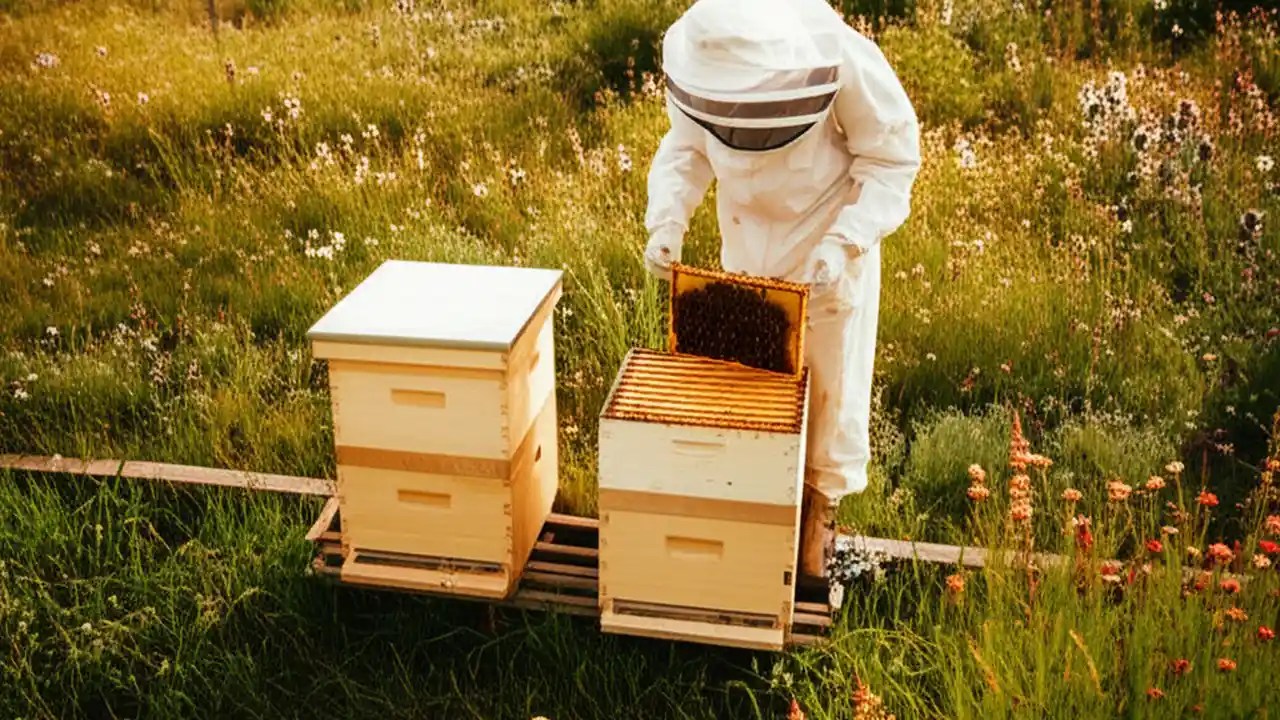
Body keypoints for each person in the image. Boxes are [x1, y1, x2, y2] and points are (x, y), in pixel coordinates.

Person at [641, 0, 921, 580]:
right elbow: (687, 148)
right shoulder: (706, 60)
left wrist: (845, 240)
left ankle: (819, 521)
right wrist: (668, 219)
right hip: (745, 254)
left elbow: (892, 159)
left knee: (827, 400)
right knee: (749, 396)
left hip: (824, 249)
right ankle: (754, 527)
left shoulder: (838, 55)